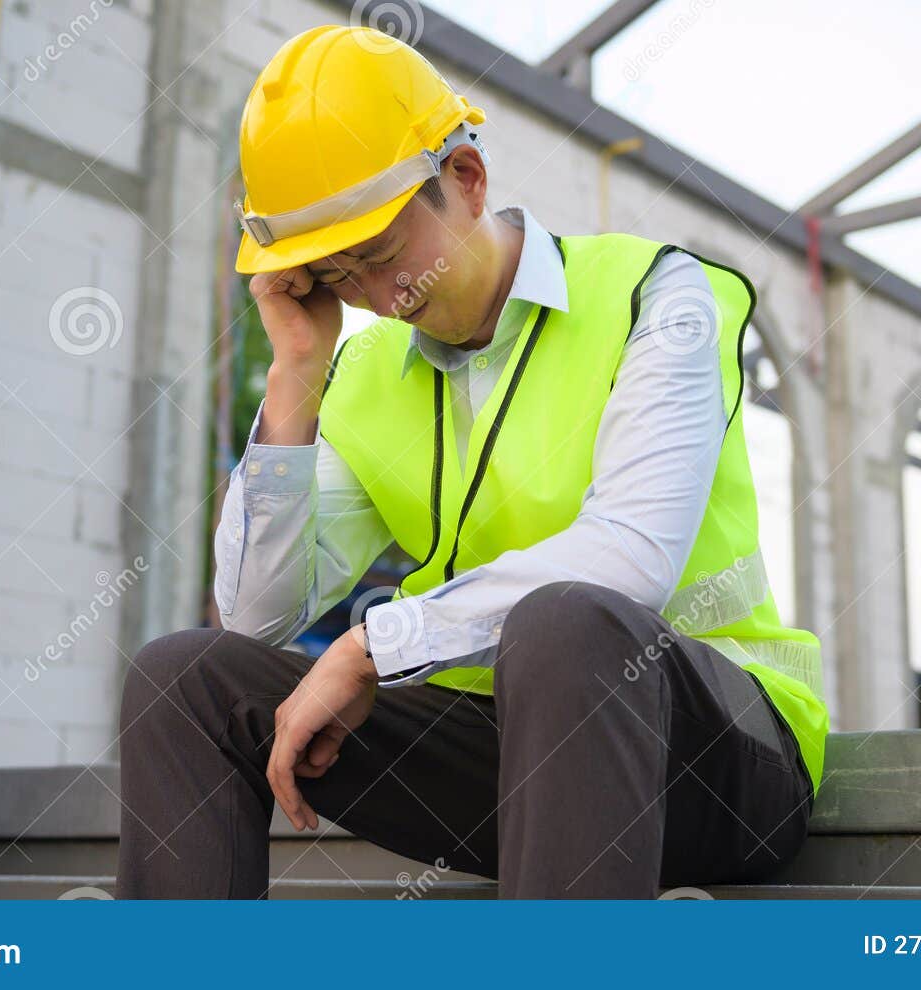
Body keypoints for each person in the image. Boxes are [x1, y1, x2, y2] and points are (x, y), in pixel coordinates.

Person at [115, 23, 829, 899]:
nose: (379, 299)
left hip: (719, 757)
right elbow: (253, 619)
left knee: (568, 624)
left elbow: (632, 556)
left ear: (465, 178)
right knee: (184, 681)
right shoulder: (363, 373)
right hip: (521, 765)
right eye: (337, 277)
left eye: (381, 256)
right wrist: (296, 372)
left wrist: (373, 646)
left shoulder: (656, 296)